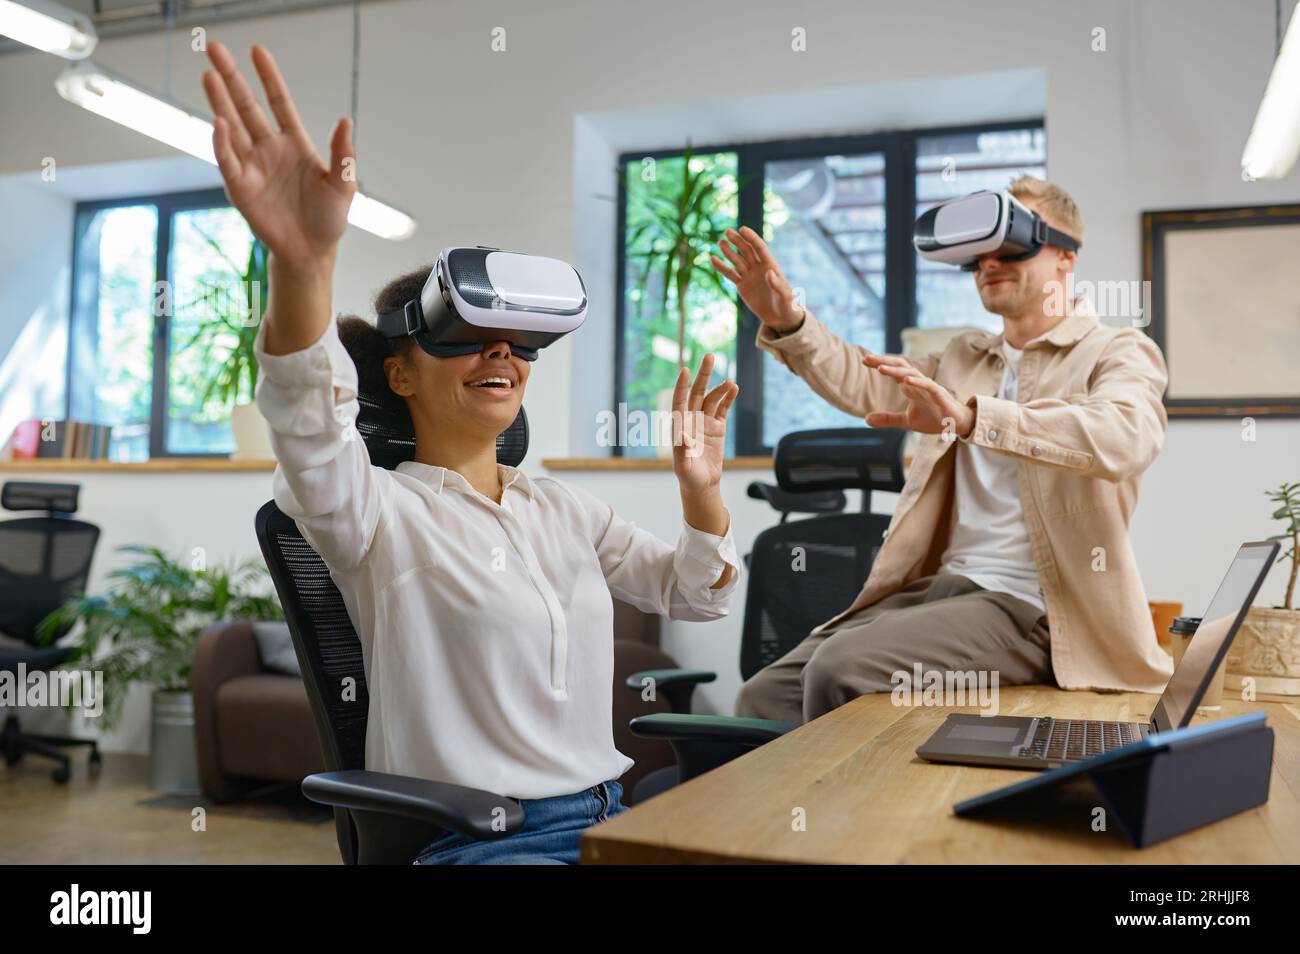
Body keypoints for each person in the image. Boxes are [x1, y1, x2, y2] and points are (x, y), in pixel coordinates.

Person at [199, 41, 742, 864]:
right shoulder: (373, 514)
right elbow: (309, 418)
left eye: (521, 343)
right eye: (468, 339)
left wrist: (701, 491)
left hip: (611, 819)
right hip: (482, 839)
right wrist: (301, 264)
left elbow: (695, 595)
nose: (502, 356)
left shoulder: (563, 508)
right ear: (400, 373)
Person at [713, 176, 1173, 725]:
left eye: (1009, 246)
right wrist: (788, 320)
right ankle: (780, 814)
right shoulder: (964, 357)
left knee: (839, 667)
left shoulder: (1116, 351)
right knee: (764, 698)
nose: (989, 263)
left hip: (1033, 605)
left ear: (1064, 256)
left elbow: (1125, 436)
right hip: (947, 588)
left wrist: (976, 417)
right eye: (979, 254)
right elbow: (865, 382)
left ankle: (845, 811)